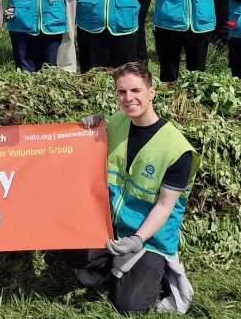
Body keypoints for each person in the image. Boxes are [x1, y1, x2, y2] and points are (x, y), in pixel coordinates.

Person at [77, 62, 195, 316]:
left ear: (151, 92)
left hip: (149, 239)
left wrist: (138, 239)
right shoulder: (115, 124)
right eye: (121, 92)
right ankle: (114, 268)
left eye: (136, 90)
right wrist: (88, 130)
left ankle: (157, 274)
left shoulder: (176, 149)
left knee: (130, 307)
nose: (128, 98)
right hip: (111, 228)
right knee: (66, 241)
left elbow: (165, 206)